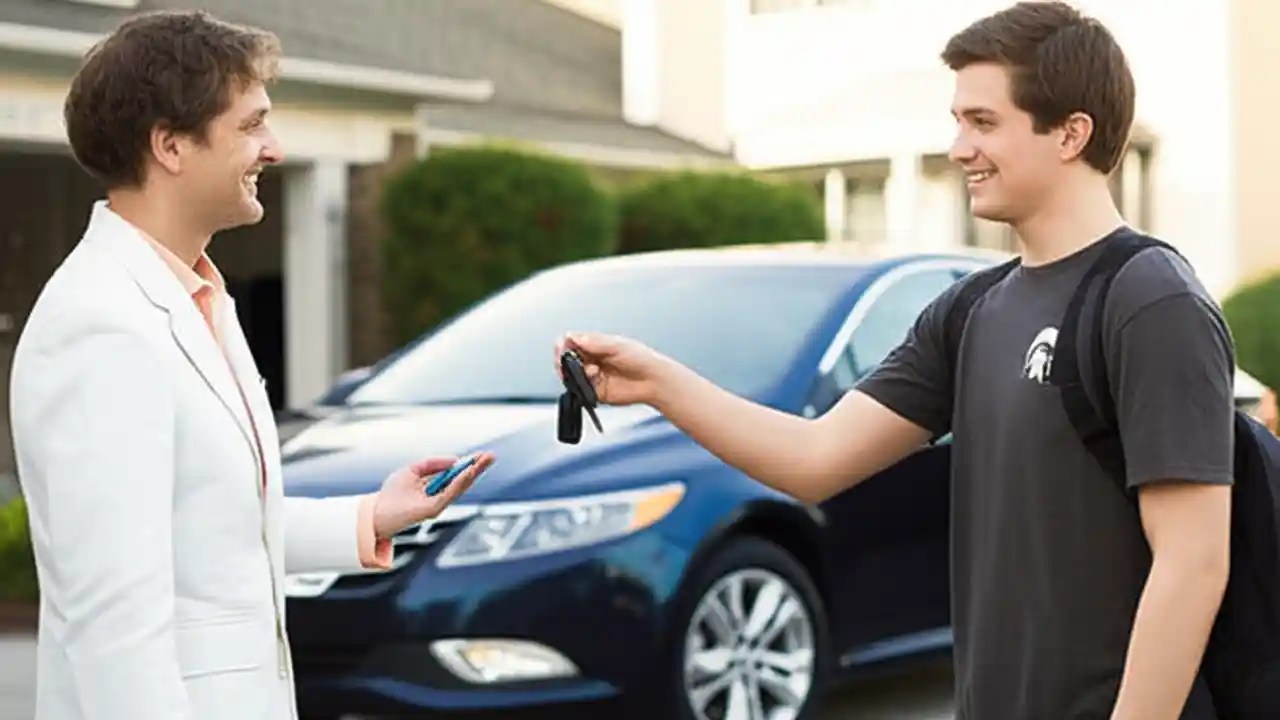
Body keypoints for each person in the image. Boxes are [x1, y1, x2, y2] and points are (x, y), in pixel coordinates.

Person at [557, 2, 1233, 718]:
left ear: (1071, 133)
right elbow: (814, 458)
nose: (957, 148)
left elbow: (1193, 562)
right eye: (957, 121)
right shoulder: (971, 310)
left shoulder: (1149, 301)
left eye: (983, 122)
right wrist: (659, 382)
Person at [8, 10, 493, 720]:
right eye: (251, 125)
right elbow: (114, 625)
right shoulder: (101, 325)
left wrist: (370, 518)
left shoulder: (196, 297)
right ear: (171, 145)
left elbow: (209, 526)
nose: (273, 147)